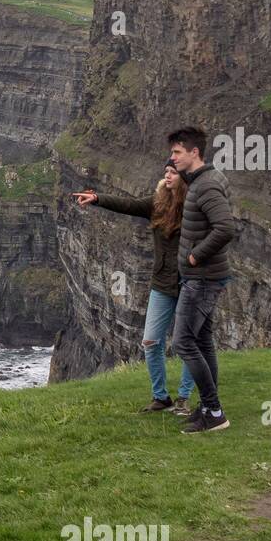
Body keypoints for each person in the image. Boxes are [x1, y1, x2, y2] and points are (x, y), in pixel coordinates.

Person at [73, 162, 196, 416]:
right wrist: (97, 198)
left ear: (184, 177)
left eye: (172, 172)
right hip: (162, 283)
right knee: (151, 341)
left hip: (190, 284)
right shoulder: (157, 202)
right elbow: (127, 204)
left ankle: (184, 398)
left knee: (187, 344)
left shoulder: (195, 206)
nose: (167, 175)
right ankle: (161, 397)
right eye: (165, 171)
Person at [166, 126, 237, 434]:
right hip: (203, 277)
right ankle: (209, 408)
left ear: (194, 152)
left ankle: (215, 412)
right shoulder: (204, 180)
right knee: (203, 340)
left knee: (183, 341)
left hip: (202, 279)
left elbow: (225, 228)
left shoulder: (205, 186)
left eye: (177, 152)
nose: (172, 158)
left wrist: (195, 256)